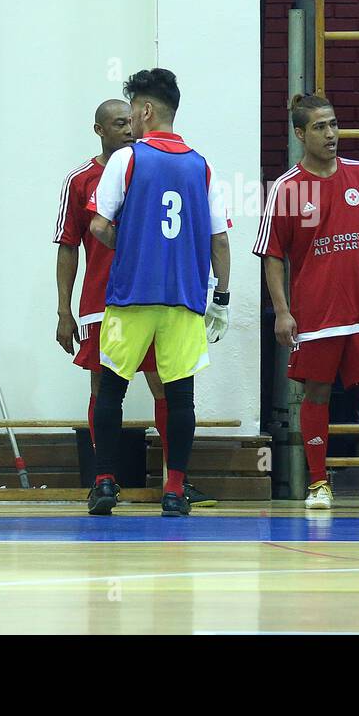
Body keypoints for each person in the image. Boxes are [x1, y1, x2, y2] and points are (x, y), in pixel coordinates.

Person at [256, 94, 359, 510]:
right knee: (317, 392)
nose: (331, 134)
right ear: (300, 133)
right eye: (319, 127)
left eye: (333, 124)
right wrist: (282, 310)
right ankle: (318, 484)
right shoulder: (286, 189)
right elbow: (273, 255)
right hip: (315, 312)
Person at [85, 68, 231, 517]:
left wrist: (130, 245)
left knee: (112, 389)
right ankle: (174, 489)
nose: (131, 118)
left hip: (132, 294)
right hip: (183, 298)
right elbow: (219, 240)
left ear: (146, 110)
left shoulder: (126, 160)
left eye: (133, 109)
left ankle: (106, 481)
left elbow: (98, 225)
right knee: (180, 394)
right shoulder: (201, 165)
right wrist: (221, 297)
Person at [55, 100, 215, 507]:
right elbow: (69, 245)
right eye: (118, 123)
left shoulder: (158, 166)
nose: (128, 129)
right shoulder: (81, 178)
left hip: (151, 295)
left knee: (164, 384)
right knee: (105, 383)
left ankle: (172, 480)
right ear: (99, 130)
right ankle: (103, 478)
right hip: (103, 298)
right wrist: (63, 309)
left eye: (131, 121)